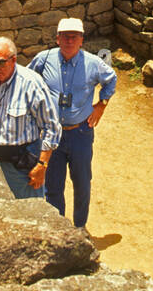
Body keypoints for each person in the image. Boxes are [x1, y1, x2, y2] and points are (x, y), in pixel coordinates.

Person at [28, 18, 117, 230]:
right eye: (65, 36)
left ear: (81, 40)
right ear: (57, 39)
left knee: (82, 183)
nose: (69, 40)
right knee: (53, 185)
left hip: (81, 134)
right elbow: (28, 80)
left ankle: (80, 227)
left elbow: (111, 78)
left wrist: (101, 105)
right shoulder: (43, 59)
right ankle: (59, 229)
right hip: (51, 135)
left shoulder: (94, 64)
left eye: (74, 36)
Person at [0, 36, 60, 198]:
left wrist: (42, 165)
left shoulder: (32, 83)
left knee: (31, 215)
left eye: (0, 63)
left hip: (22, 165)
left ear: (13, 60)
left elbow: (52, 128)